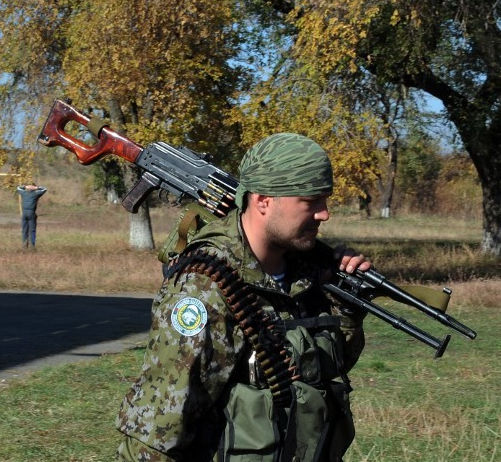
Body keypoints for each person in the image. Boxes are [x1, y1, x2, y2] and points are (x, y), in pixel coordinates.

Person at [116, 133, 370, 462]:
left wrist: (346, 309)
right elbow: (159, 428)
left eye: (326, 200)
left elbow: (322, 373)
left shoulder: (304, 276)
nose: (325, 214)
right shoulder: (206, 287)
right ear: (263, 201)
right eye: (311, 201)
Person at [16, 183, 47, 249]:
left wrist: (25, 186)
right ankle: (32, 246)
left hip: (24, 213)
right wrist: (36, 187)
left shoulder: (24, 193)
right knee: (32, 230)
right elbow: (44, 189)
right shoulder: (36, 194)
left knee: (24, 230)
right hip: (31, 212)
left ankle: (24, 245)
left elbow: (18, 188)